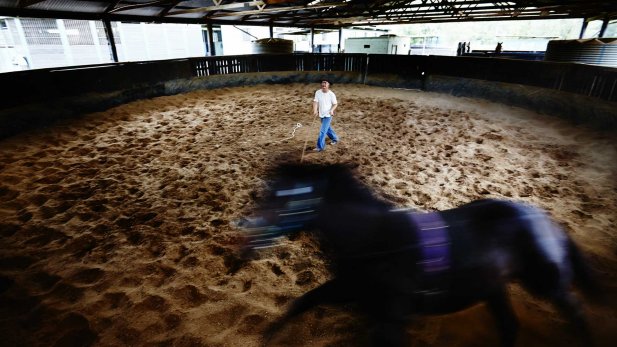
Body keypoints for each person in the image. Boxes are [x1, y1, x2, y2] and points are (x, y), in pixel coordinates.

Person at [312, 80, 339, 152]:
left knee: (322, 131)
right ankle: (335, 138)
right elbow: (315, 102)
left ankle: (320, 147)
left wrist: (332, 110)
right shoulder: (318, 92)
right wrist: (315, 110)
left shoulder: (331, 94)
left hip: (328, 115)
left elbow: (335, 104)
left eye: (325, 83)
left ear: (328, 85)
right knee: (327, 129)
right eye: (322, 83)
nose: (323, 84)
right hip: (321, 114)